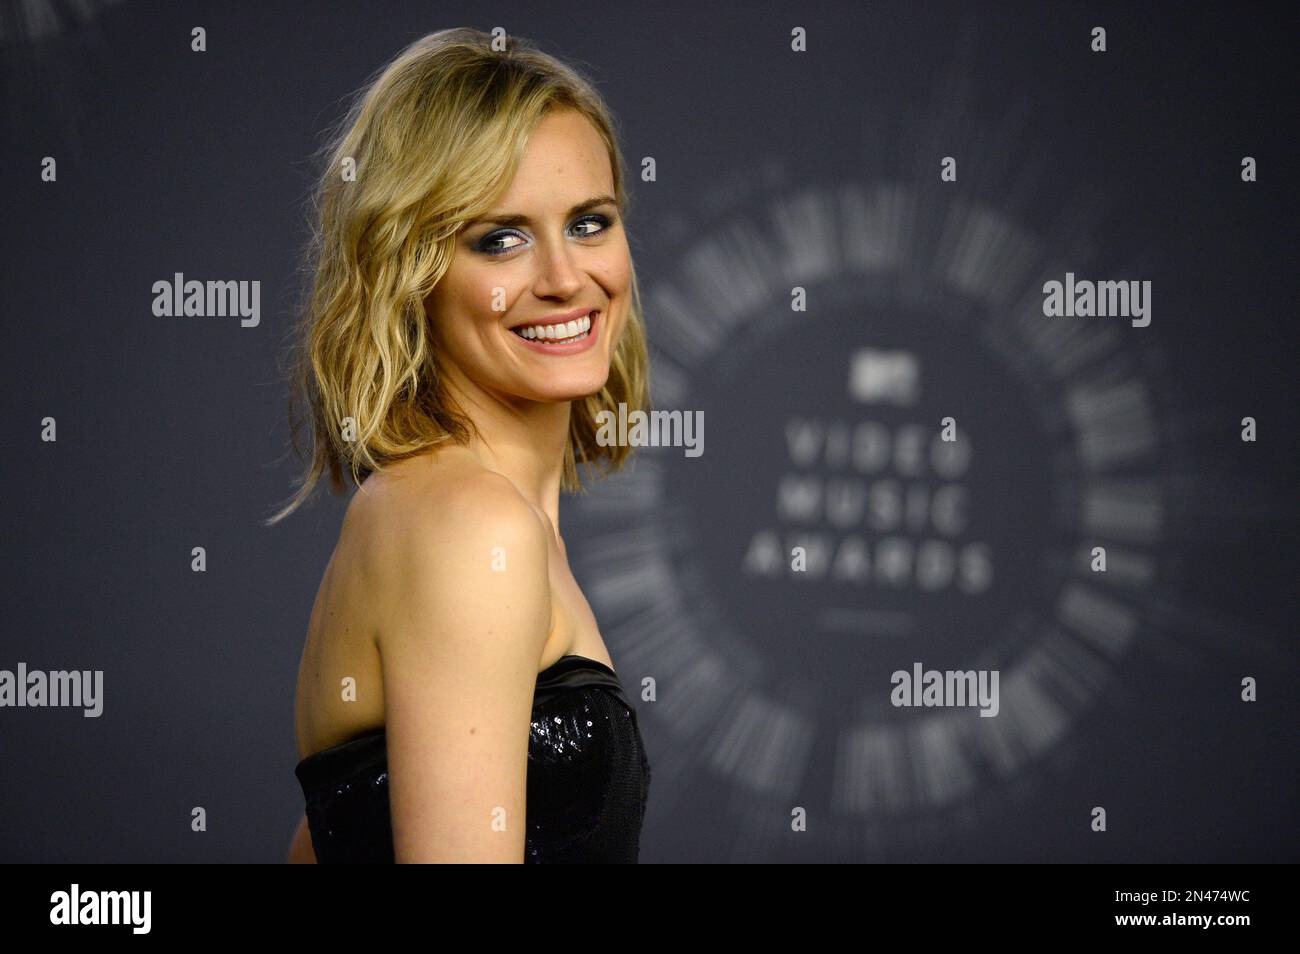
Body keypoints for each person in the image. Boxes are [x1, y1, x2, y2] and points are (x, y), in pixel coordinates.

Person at [268, 26, 652, 863]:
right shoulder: (470, 528)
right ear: (409, 271)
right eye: (499, 239)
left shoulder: (450, 514)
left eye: (590, 222)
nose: (562, 276)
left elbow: (333, 840)